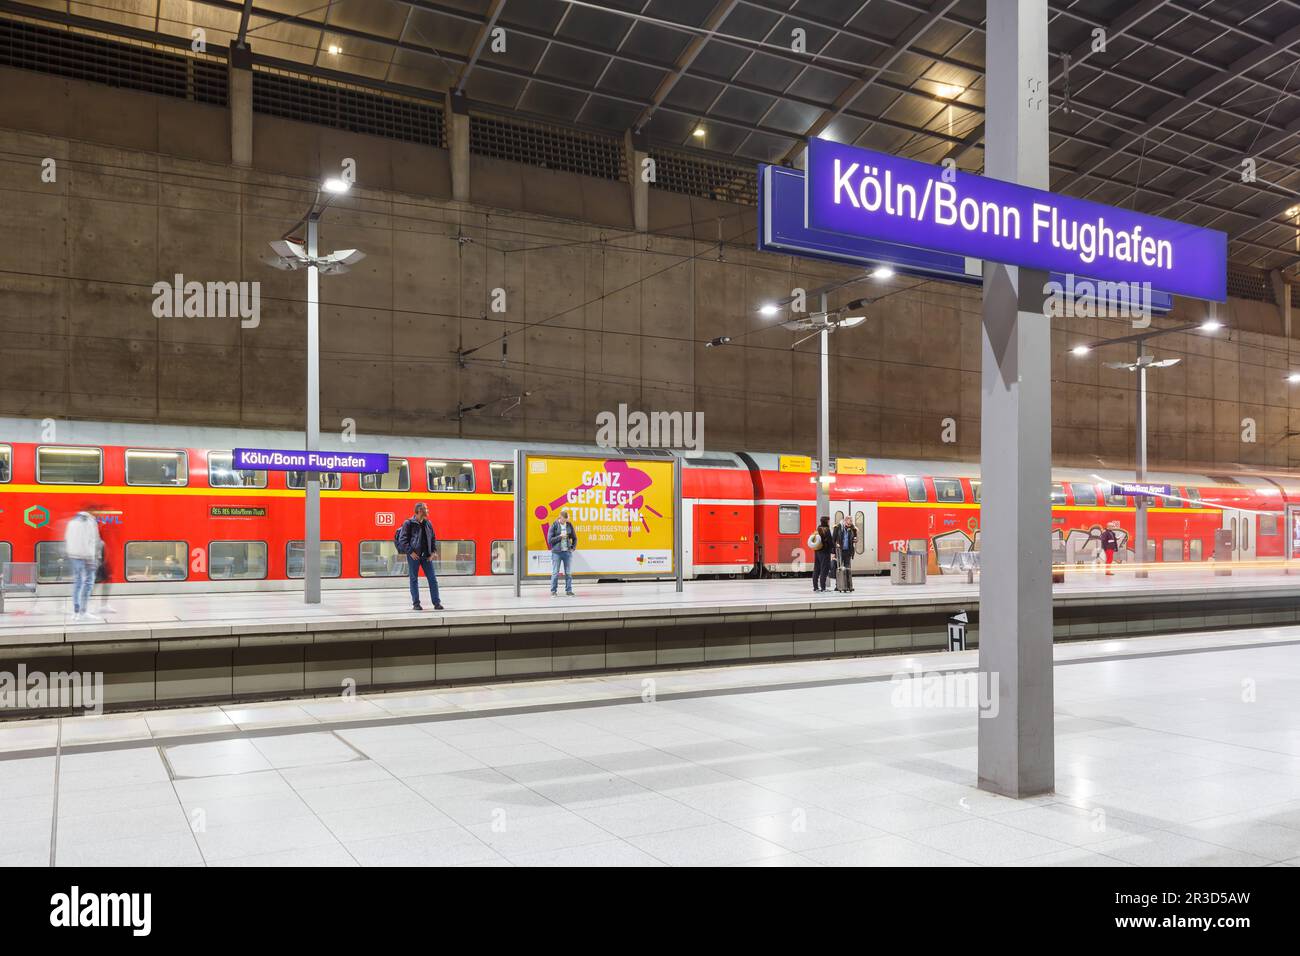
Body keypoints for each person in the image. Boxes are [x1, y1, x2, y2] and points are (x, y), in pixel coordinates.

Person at [397, 502, 443, 610]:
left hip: (427, 557)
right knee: (414, 579)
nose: (428, 510)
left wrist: (433, 552)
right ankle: (416, 604)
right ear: (419, 511)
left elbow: (433, 538)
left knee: (432, 579)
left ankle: (437, 603)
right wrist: (410, 552)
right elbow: (402, 540)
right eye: (426, 509)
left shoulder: (428, 523)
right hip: (414, 556)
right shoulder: (408, 523)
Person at [64, 507, 102, 621]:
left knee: (78, 583)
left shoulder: (72, 522)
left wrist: (71, 553)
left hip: (74, 556)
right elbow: (93, 540)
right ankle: (83, 611)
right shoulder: (90, 521)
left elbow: (67, 539)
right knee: (89, 582)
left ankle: (76, 612)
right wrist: (92, 557)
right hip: (87, 556)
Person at [548, 509, 578, 596]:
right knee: (555, 572)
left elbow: (575, 538)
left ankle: (569, 590)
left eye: (567, 520)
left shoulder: (569, 525)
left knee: (568, 572)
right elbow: (549, 540)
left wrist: (573, 547)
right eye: (564, 520)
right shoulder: (554, 525)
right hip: (556, 553)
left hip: (567, 553)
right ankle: (553, 591)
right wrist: (560, 536)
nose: (566, 521)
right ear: (560, 517)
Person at [834, 515, 858, 592]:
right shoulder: (837, 527)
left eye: (851, 522)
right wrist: (835, 549)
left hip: (848, 551)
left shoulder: (853, 529)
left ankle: (848, 585)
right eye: (849, 522)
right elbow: (833, 539)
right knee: (839, 568)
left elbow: (855, 538)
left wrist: (855, 540)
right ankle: (838, 585)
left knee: (848, 568)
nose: (850, 524)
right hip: (840, 551)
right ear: (845, 521)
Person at [810, 515, 833, 592]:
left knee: (816, 569)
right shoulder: (826, 529)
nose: (829, 522)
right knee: (824, 569)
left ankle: (815, 587)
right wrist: (833, 549)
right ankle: (823, 588)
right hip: (825, 552)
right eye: (828, 520)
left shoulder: (818, 528)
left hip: (817, 551)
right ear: (826, 521)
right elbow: (830, 541)